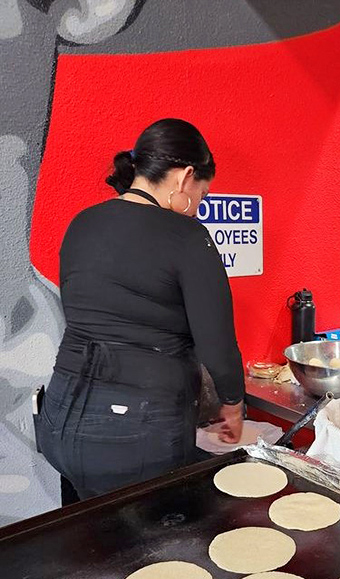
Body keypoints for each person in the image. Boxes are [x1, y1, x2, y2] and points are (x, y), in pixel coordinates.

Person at [37, 118, 245, 502]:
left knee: (90, 541)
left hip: (59, 418)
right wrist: (233, 405)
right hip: (135, 434)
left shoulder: (82, 223)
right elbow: (217, 343)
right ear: (184, 178)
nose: (200, 204)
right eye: (203, 193)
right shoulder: (187, 236)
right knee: (147, 548)